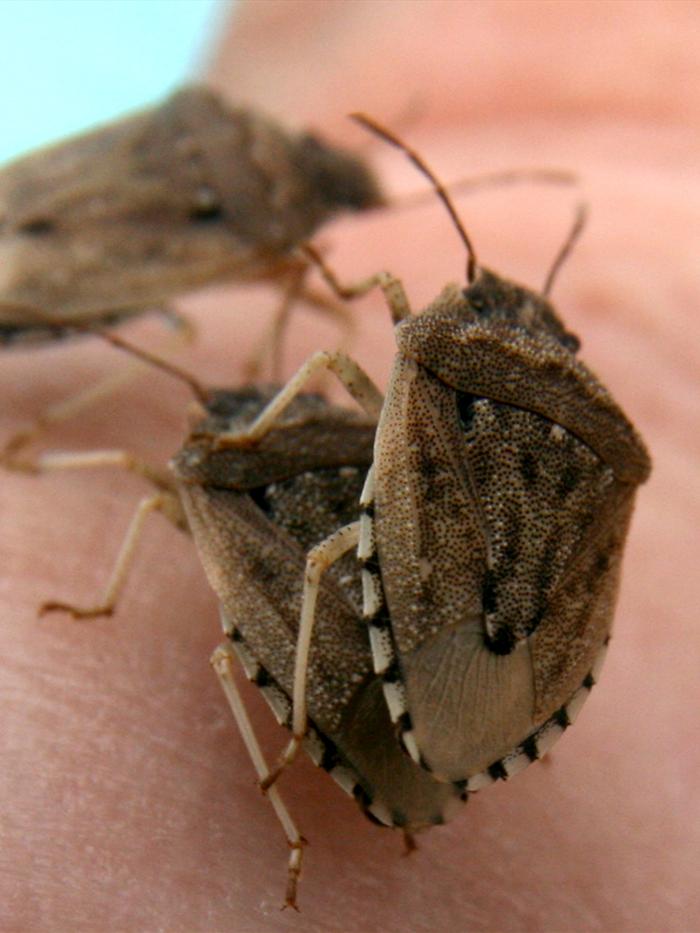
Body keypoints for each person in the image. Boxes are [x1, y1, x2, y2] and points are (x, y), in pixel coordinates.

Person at [3, 2, 698, 928]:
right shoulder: (436, 395)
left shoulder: (408, 364)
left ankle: (365, 754)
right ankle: (454, 731)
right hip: (434, 580)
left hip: (376, 558)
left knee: (329, 540)